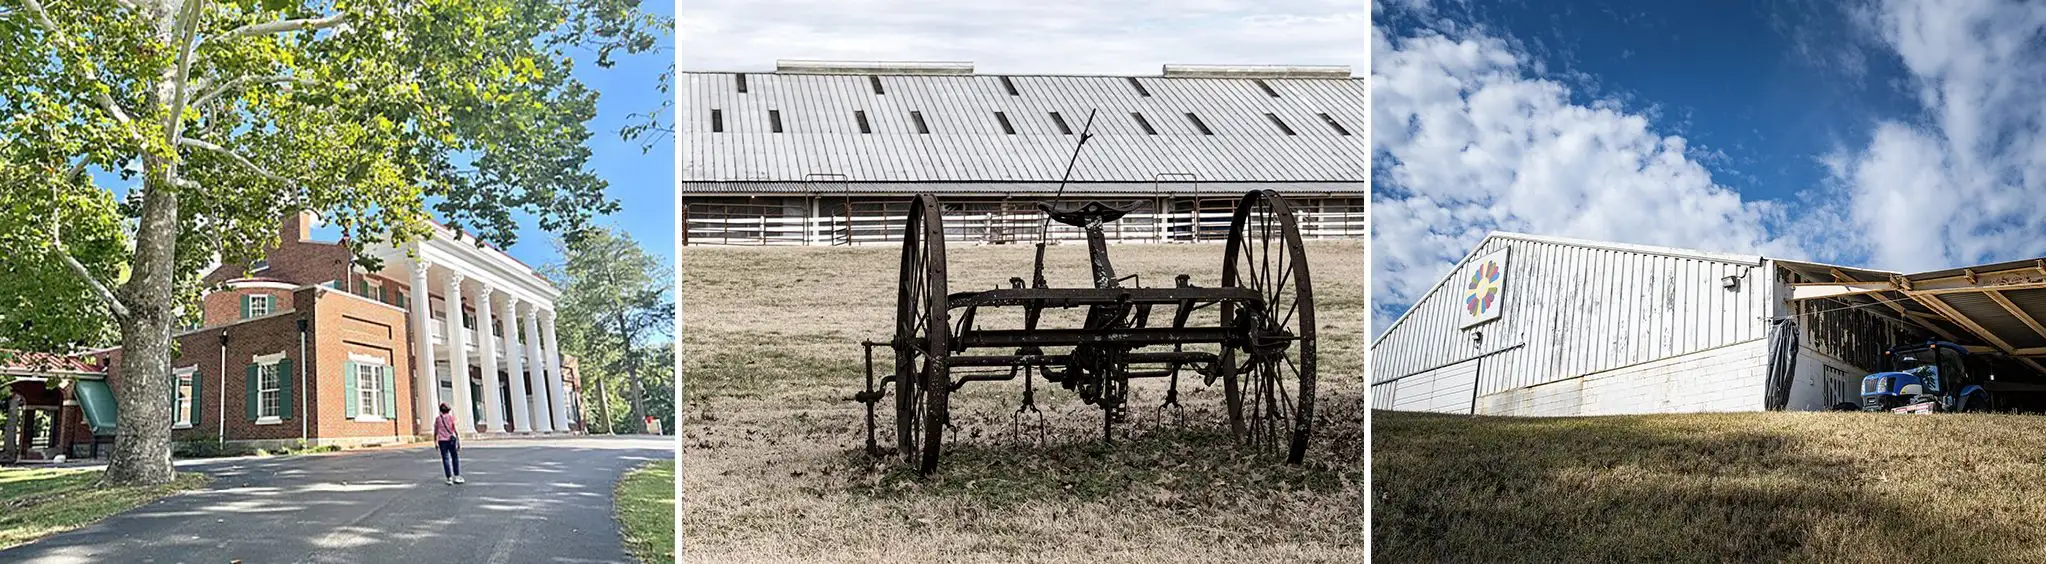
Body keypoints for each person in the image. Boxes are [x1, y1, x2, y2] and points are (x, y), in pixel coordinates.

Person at [435, 403, 464, 485]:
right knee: (454, 457)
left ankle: (449, 478)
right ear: (449, 410)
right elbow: (455, 429)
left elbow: (436, 431)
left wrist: (435, 441)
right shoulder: (451, 418)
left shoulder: (438, 419)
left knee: (445, 459)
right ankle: (457, 476)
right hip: (451, 440)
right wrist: (459, 441)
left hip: (442, 441)